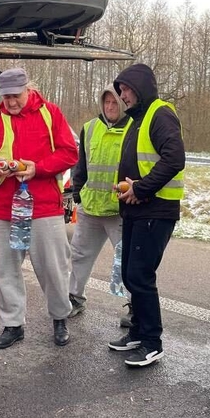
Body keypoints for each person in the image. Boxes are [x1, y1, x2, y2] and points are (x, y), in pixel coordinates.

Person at [0, 67, 78, 349]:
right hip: (4, 207)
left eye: (16, 96)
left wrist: (37, 169)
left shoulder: (50, 113)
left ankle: (60, 318)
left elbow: (69, 152)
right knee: (5, 269)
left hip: (44, 206)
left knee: (53, 268)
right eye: (6, 97)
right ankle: (13, 325)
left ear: (28, 89)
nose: (11, 103)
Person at [106, 64, 185, 367]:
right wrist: (129, 187)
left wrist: (142, 189)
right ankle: (137, 333)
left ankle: (153, 342)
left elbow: (174, 158)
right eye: (120, 89)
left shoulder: (159, 113)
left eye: (125, 89)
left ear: (139, 87)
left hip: (156, 209)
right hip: (138, 209)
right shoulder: (137, 120)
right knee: (130, 275)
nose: (122, 95)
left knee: (140, 276)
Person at [67, 85, 133, 325]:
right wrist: (78, 193)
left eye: (114, 102)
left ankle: (135, 307)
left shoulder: (134, 129)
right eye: (106, 102)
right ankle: (74, 298)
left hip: (119, 210)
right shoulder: (90, 128)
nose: (110, 107)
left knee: (128, 261)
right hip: (91, 207)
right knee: (79, 255)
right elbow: (81, 164)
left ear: (123, 104)